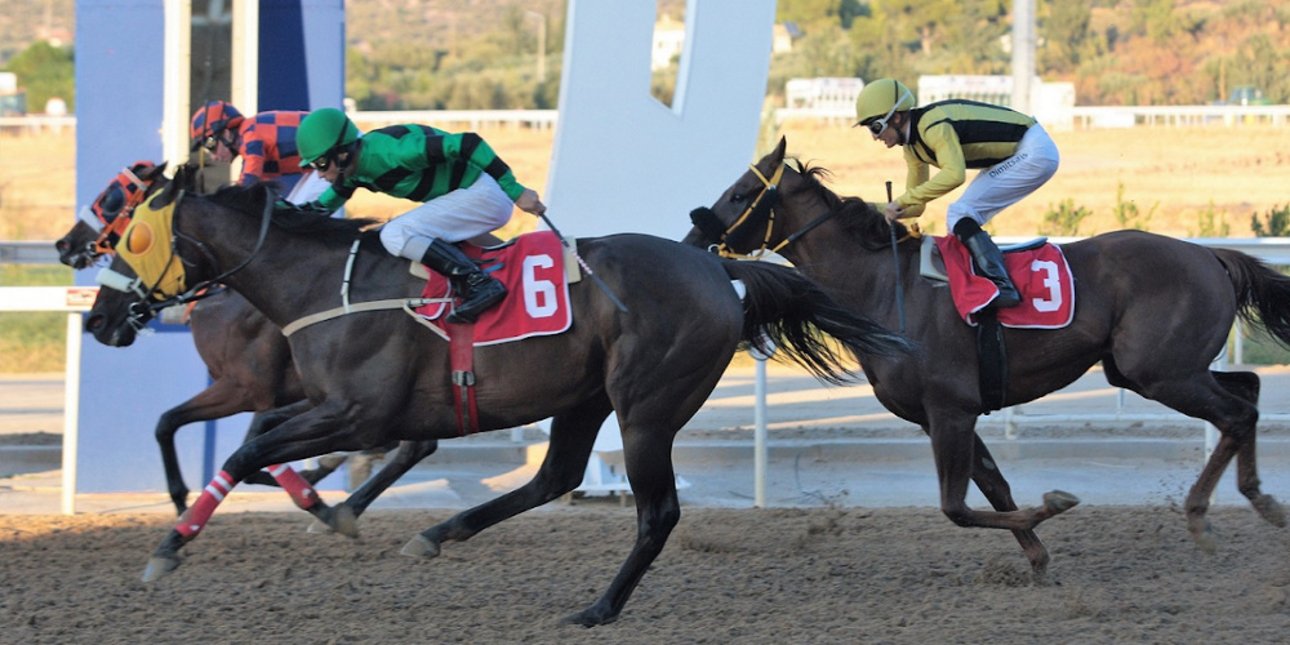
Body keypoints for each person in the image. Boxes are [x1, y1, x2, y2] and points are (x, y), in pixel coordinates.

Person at [293, 107, 547, 324]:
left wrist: (516, 192)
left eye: (321, 164)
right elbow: (323, 205)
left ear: (343, 153)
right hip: (466, 196)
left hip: (484, 195)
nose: (318, 174)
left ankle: (479, 284)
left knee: (395, 233)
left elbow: (468, 143)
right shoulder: (357, 168)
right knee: (386, 237)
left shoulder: (391, 153)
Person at [853, 78, 1060, 308]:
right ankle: (987, 281)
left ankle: (1002, 287)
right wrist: (870, 210)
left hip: (1033, 150)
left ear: (897, 117)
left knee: (960, 213)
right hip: (1020, 153)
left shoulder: (933, 126)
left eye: (876, 127)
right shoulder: (912, 148)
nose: (874, 137)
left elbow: (954, 175)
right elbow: (916, 207)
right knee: (959, 219)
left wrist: (902, 201)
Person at [189, 100, 326, 199]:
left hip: (330, 157)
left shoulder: (251, 136)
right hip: (321, 161)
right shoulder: (250, 132)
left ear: (226, 134)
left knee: (299, 215)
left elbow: (248, 181)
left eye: (210, 145)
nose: (213, 157)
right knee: (293, 209)